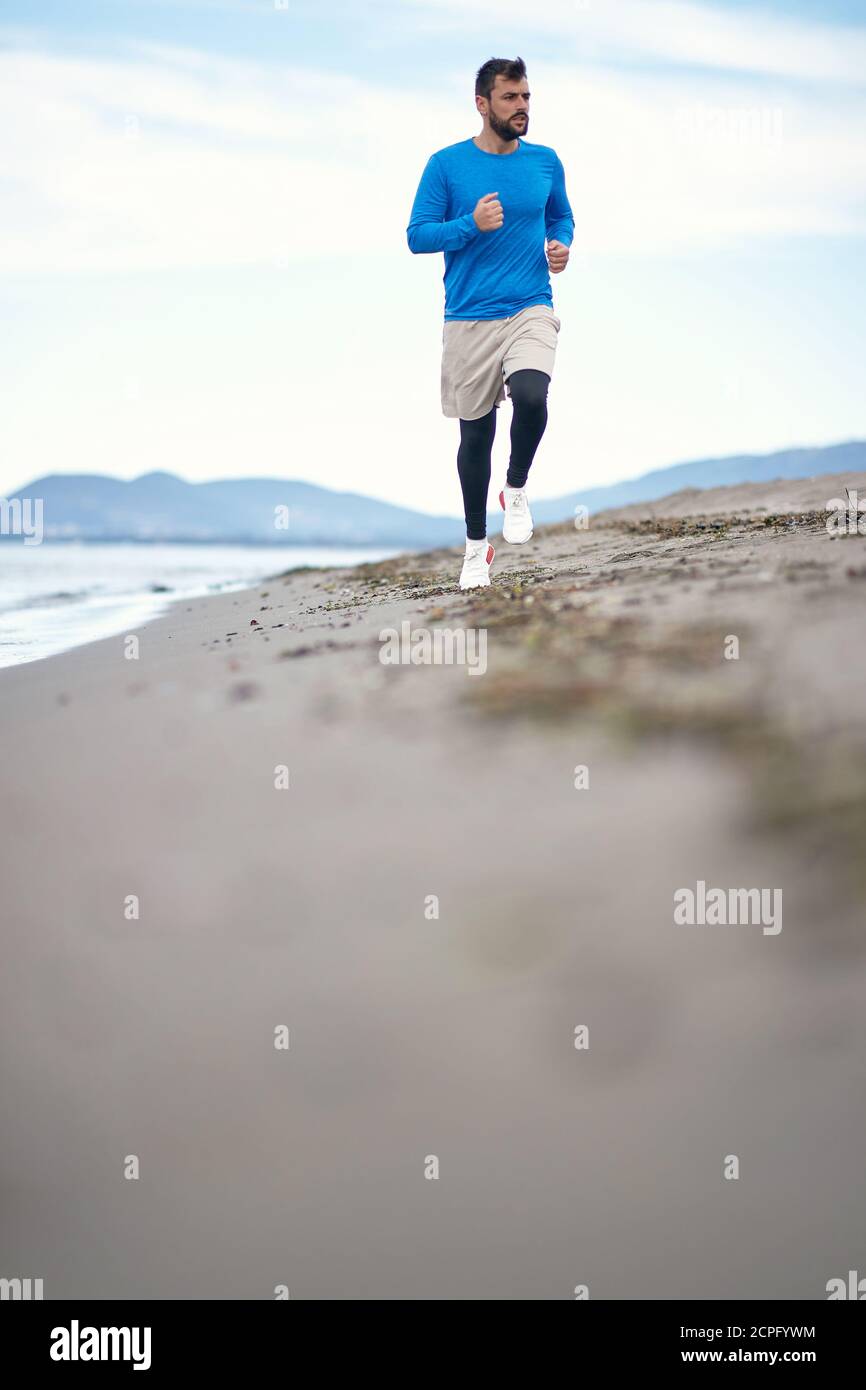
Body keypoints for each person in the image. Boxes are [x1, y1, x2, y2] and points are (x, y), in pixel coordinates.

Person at [406, 55, 574, 589]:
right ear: (482, 104)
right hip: (469, 318)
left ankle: (517, 488)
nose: (522, 106)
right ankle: (476, 548)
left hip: (530, 304)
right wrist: (469, 225)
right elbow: (418, 235)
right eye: (510, 97)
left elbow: (562, 214)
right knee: (475, 438)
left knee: (531, 396)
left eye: (526, 96)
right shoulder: (446, 165)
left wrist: (562, 244)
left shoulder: (545, 161)